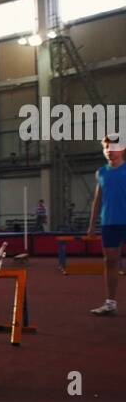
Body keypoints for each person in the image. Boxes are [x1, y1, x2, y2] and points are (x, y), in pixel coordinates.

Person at [86, 133, 126, 316]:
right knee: (110, 262)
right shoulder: (101, 172)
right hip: (109, 223)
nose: (110, 151)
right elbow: (97, 199)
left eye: (114, 147)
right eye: (106, 147)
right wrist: (92, 224)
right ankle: (110, 303)